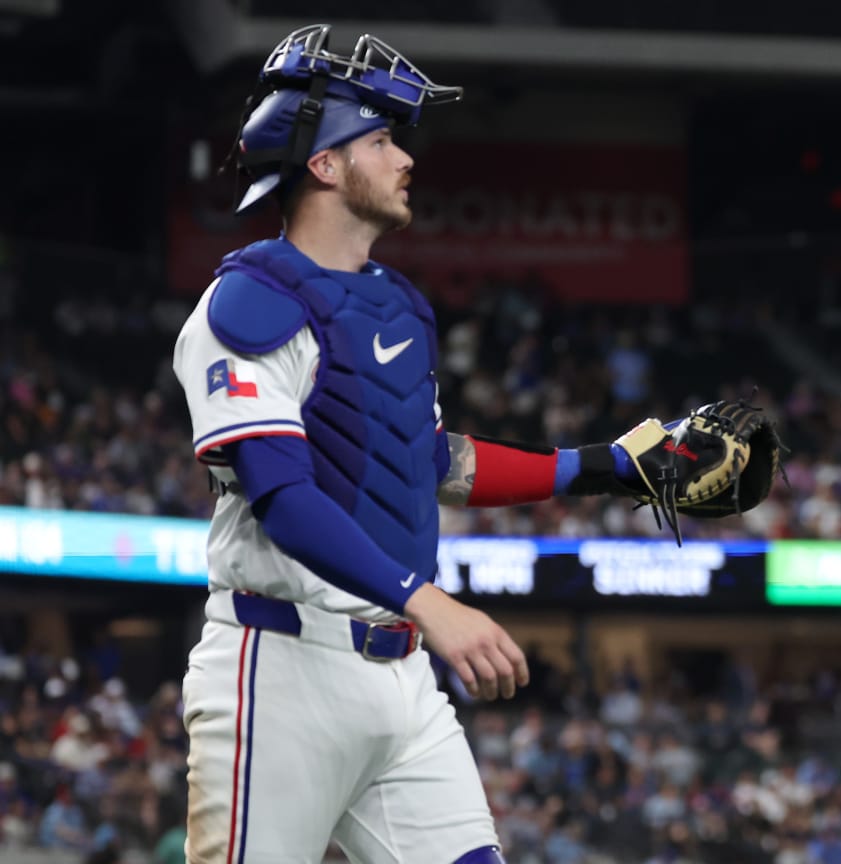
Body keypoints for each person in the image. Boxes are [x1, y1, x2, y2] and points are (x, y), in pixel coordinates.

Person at [171, 25, 686, 863]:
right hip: (279, 667)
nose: (404, 158)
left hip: (403, 676)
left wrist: (602, 467)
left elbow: (430, 461)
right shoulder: (249, 303)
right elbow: (284, 497)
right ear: (325, 165)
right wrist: (429, 600)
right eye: (378, 140)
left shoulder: (395, 303)